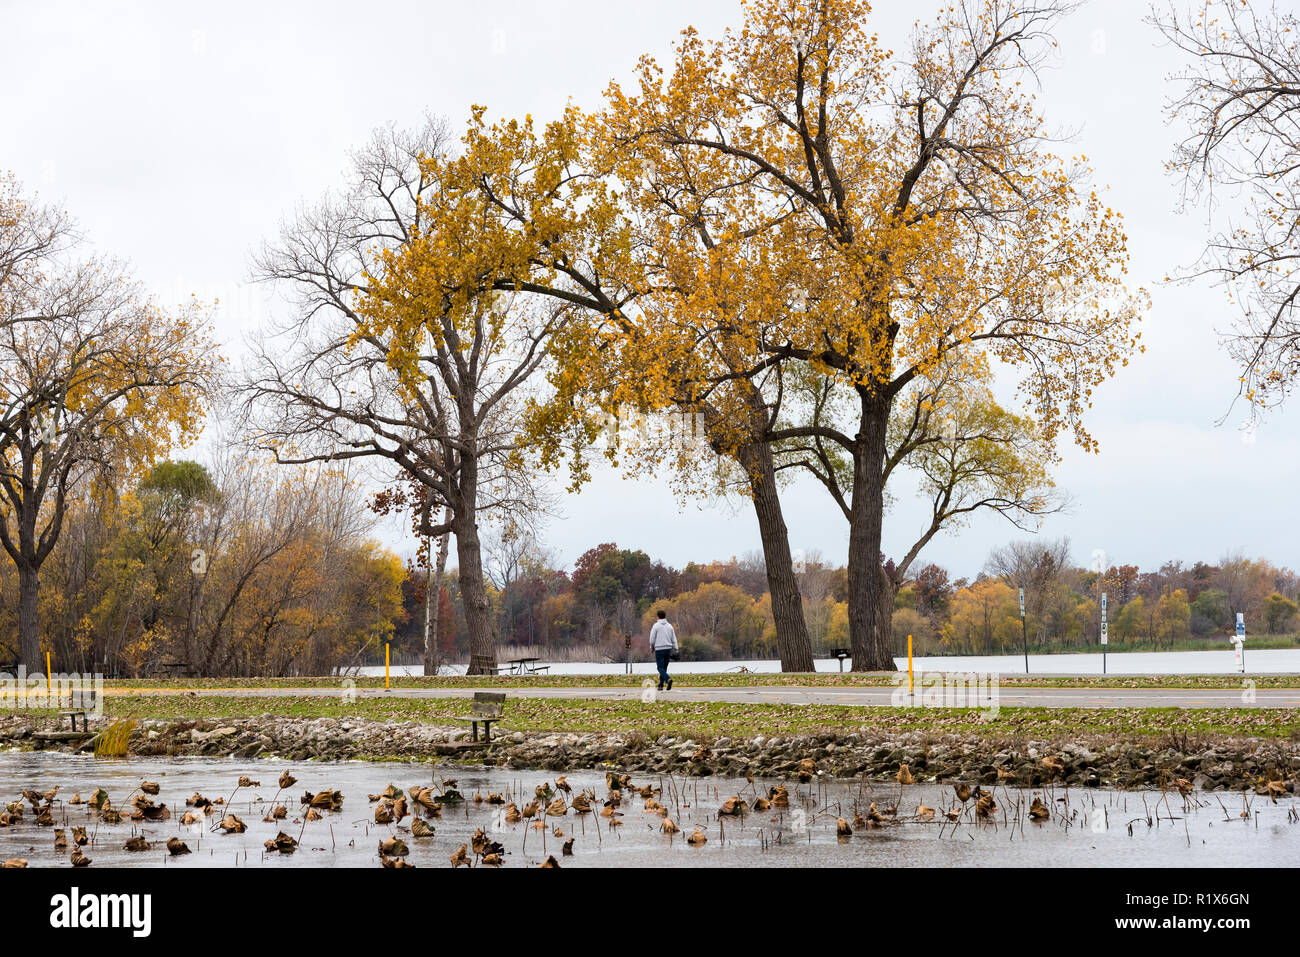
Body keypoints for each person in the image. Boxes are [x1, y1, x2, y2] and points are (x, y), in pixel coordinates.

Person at [648, 610, 678, 691]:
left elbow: (652, 638)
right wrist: (676, 649)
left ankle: (668, 679)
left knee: (660, 667)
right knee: (664, 668)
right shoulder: (669, 626)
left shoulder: (656, 626)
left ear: (657, 616)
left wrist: (652, 647)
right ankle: (660, 685)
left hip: (659, 649)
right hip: (668, 649)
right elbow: (673, 638)